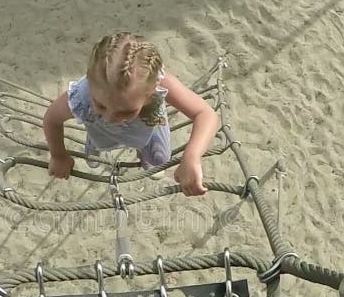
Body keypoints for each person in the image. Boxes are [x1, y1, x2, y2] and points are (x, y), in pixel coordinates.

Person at [41, 31, 219, 197]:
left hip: (148, 126)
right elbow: (51, 119)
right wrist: (58, 155)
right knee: (97, 145)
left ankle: (145, 155)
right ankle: (95, 143)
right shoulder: (83, 95)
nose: (111, 118)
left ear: (150, 94)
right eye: (101, 105)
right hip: (100, 130)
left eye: (125, 111)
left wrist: (191, 157)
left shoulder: (159, 83)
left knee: (159, 159)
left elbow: (205, 113)